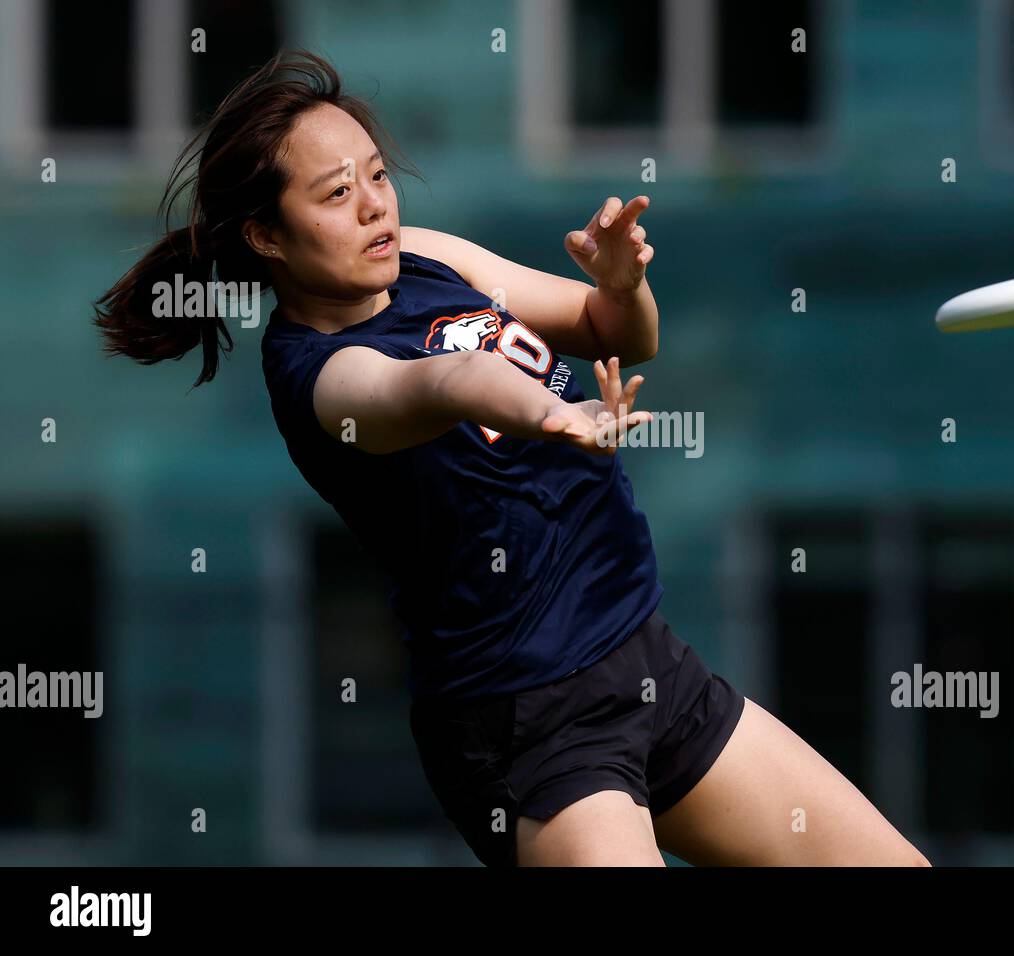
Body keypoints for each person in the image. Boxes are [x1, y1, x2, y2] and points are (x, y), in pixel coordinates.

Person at [94, 50, 929, 867]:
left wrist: (619, 282)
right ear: (265, 235)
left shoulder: (427, 257)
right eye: (337, 194)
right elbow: (452, 381)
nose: (374, 207)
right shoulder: (324, 379)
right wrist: (554, 417)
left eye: (377, 176)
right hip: (528, 725)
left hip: (646, 665)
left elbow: (620, 335)